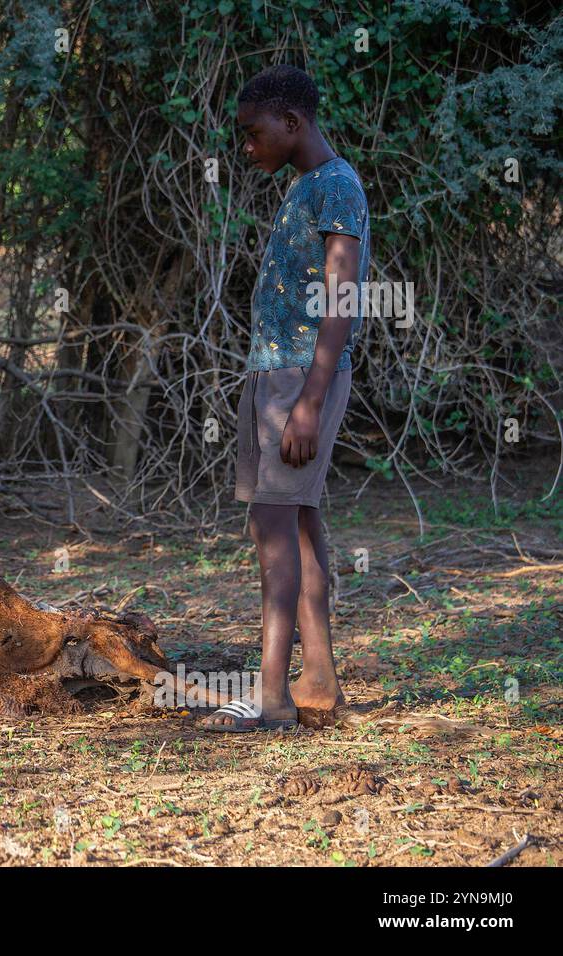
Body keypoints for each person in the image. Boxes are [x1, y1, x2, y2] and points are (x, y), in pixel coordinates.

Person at [203, 65, 369, 732]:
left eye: (253, 133)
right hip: (275, 374)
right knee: (294, 525)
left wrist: (308, 401)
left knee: (274, 528)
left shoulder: (337, 185)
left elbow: (342, 301)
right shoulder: (309, 185)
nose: (247, 147)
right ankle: (319, 683)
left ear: (292, 123)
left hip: (300, 380)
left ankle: (270, 697)